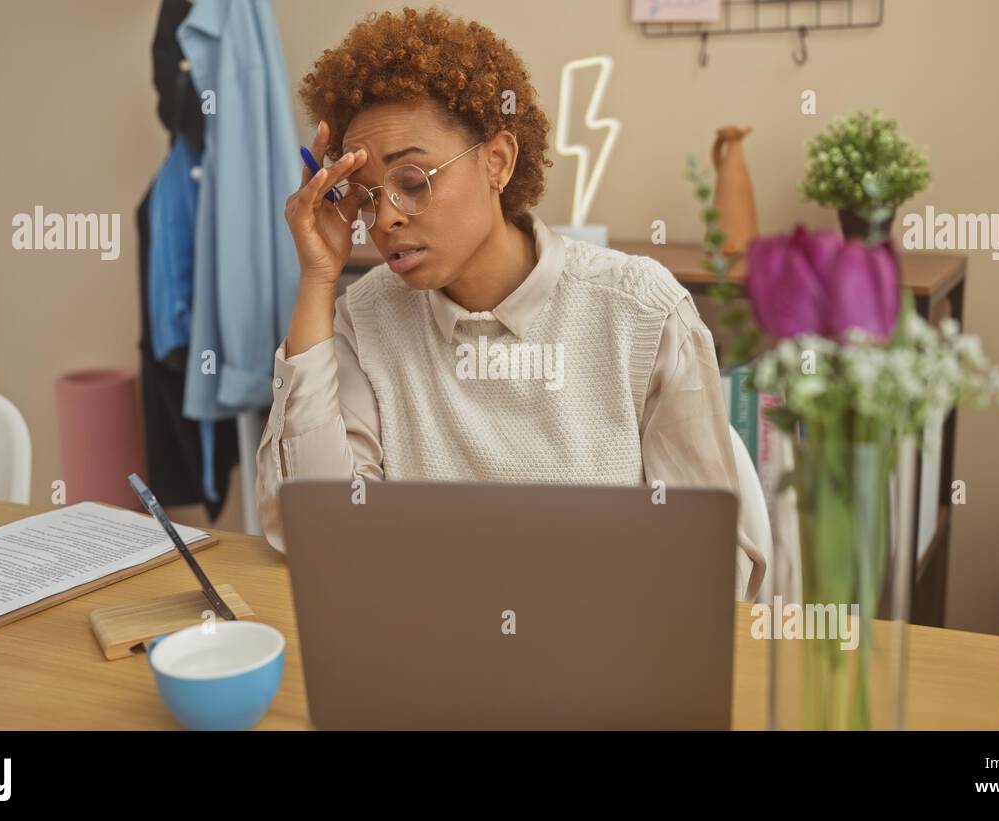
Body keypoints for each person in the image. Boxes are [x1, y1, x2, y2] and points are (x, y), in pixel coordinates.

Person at [255, 6, 765, 600]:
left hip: (597, 661)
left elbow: (713, 570)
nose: (385, 217)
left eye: (413, 180)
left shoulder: (640, 313)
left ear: (497, 160)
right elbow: (315, 530)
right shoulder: (365, 320)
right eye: (367, 197)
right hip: (436, 660)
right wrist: (318, 280)